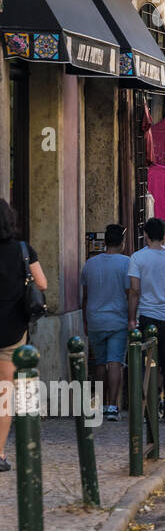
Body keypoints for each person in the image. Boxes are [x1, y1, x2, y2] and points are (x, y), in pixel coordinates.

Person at [0, 200, 47, 473]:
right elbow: (42, 283)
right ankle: (0, 453)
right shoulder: (22, 250)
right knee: (4, 394)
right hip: (12, 330)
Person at [127, 218, 165, 422]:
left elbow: (134, 291)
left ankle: (147, 410)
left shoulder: (137, 258)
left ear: (145, 236)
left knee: (146, 366)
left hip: (146, 317)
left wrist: (132, 318)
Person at [80, 224, 131, 419]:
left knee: (100, 363)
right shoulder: (126, 263)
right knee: (115, 361)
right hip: (117, 319)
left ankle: (100, 403)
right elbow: (130, 293)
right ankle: (112, 407)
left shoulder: (90, 264)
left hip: (94, 319)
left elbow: (85, 296)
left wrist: (85, 320)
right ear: (123, 242)